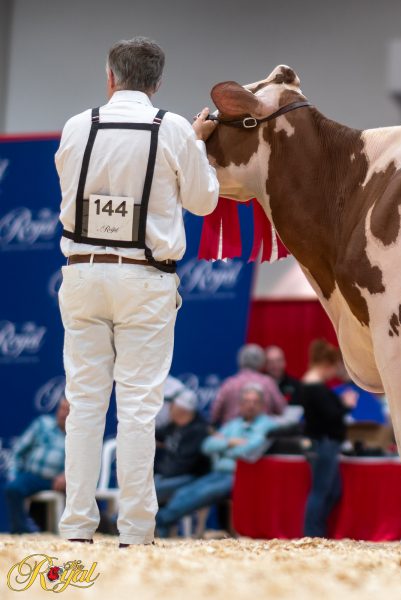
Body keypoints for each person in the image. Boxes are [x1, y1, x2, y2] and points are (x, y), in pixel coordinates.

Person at [54, 37, 219, 546]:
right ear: (157, 82)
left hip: (82, 271)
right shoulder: (171, 129)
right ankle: (135, 531)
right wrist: (193, 143)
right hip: (145, 277)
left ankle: (77, 527)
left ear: (110, 77)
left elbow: (69, 182)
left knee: (83, 404)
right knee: (138, 408)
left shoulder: (77, 125)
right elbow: (204, 200)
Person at [155, 384, 275, 535]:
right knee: (183, 493)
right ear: (240, 404)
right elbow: (207, 446)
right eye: (246, 401)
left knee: (201, 494)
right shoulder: (234, 424)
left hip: (241, 475)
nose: (250, 405)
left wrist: (224, 445)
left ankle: (157, 521)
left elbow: (250, 449)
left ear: (262, 405)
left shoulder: (267, 426)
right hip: (218, 472)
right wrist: (231, 443)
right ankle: (160, 524)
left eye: (255, 401)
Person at [298, 340, 357, 537]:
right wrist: (346, 405)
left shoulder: (313, 386)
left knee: (330, 491)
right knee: (320, 491)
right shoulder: (315, 387)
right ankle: (312, 534)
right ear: (327, 364)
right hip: (323, 444)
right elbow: (331, 415)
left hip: (324, 443)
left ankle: (316, 532)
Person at [5, 399, 69, 534]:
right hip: (33, 475)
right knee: (12, 488)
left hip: (58, 480)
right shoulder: (42, 424)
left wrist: (66, 475)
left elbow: (83, 462)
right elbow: (17, 452)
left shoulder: (79, 434)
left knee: (83, 494)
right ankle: (21, 531)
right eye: (62, 409)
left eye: (68, 410)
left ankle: (76, 533)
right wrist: (14, 476)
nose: (63, 414)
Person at [154, 389, 211, 505]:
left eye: (172, 404)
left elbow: (183, 465)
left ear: (182, 408)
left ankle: (115, 521)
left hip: (192, 478)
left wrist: (160, 475)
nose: (168, 407)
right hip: (170, 474)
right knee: (140, 486)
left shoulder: (197, 431)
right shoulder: (174, 426)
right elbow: (153, 434)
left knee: (148, 491)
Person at [211, 344, 286, 426]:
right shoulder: (268, 383)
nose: (251, 406)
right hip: (255, 433)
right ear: (261, 362)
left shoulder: (229, 383)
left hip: (235, 435)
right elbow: (281, 409)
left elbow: (214, 413)